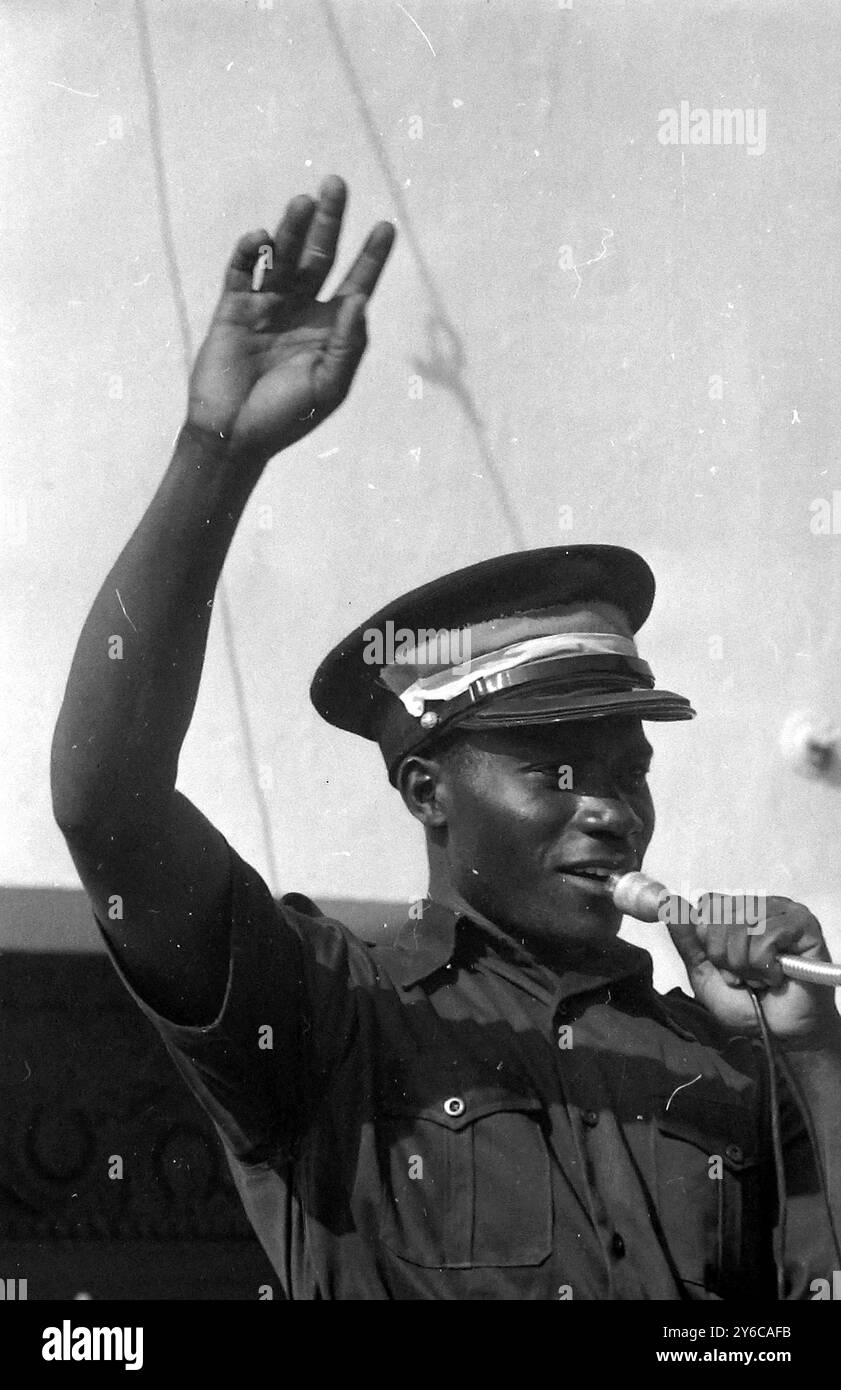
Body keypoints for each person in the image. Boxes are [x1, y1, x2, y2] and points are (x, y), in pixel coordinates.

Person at [51, 176, 841, 1300]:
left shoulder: (726, 1061)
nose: (610, 805)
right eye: (556, 769)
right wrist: (216, 452)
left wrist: (811, 1050)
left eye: (627, 769)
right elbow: (107, 807)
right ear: (428, 789)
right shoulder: (332, 1017)